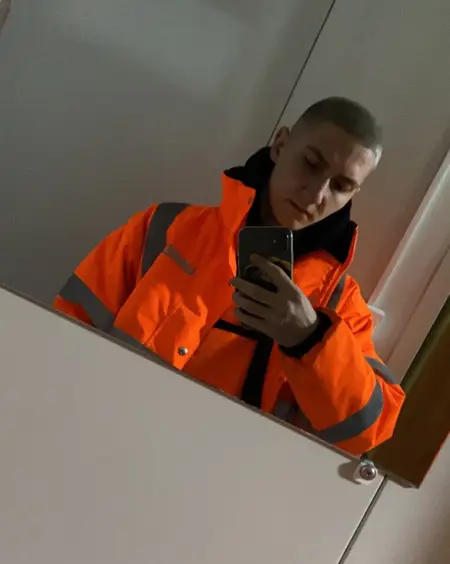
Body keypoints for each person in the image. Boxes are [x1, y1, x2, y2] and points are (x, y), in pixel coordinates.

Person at [54, 97, 405, 455]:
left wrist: (309, 339)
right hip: (98, 439)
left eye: (341, 186)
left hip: (219, 476)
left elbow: (368, 432)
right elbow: (63, 329)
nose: (316, 194)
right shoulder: (165, 228)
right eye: (311, 164)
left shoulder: (338, 303)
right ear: (280, 145)